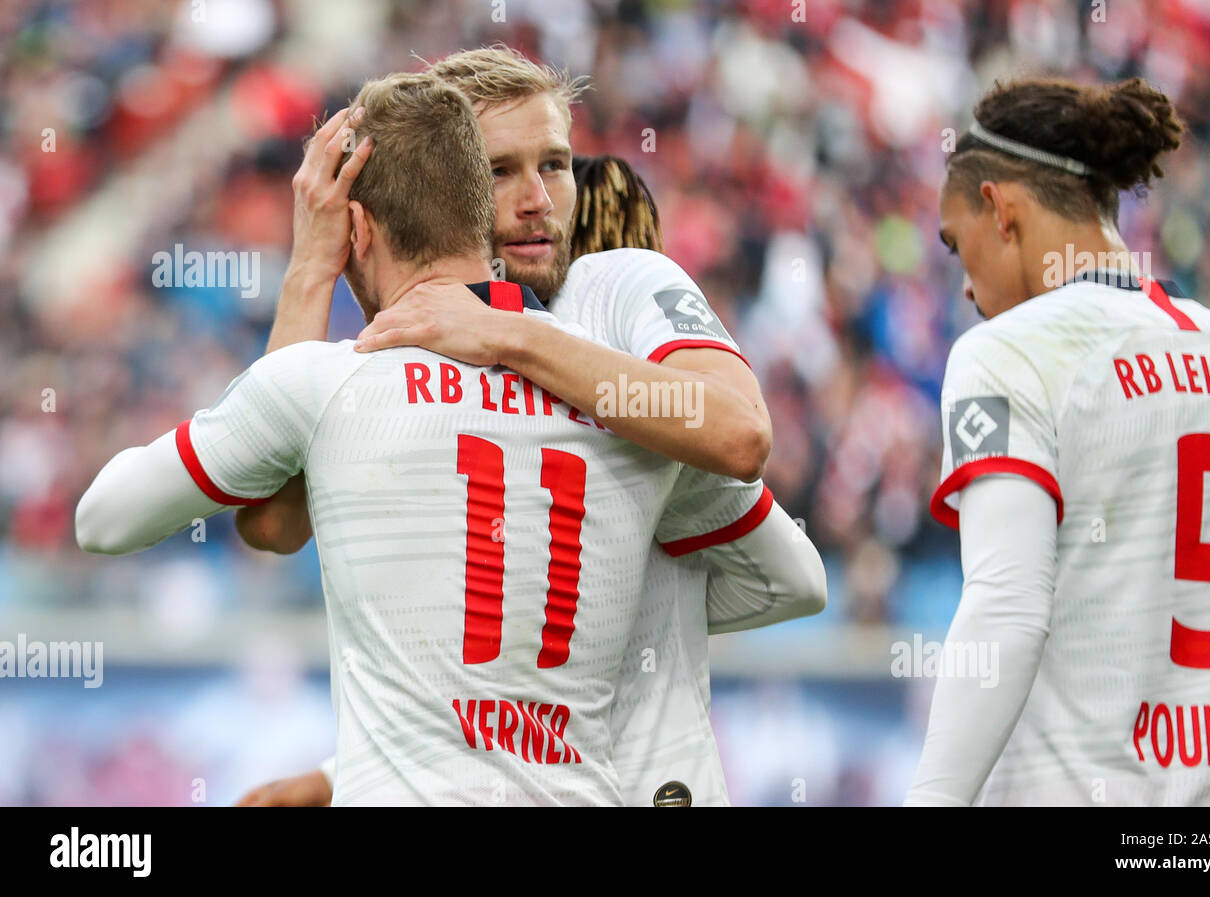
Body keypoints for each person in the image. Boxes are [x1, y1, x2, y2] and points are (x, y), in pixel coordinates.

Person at [77, 72, 806, 806]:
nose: (537, 200)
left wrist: (323, 275)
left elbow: (742, 435)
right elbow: (276, 522)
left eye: (555, 163)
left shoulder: (610, 294)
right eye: (498, 171)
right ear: (459, 192)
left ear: (360, 223)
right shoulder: (620, 404)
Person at [905, 76, 1210, 806]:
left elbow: (1008, 607)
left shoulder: (1007, 353)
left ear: (1000, 208)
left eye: (958, 246)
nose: (965, 286)